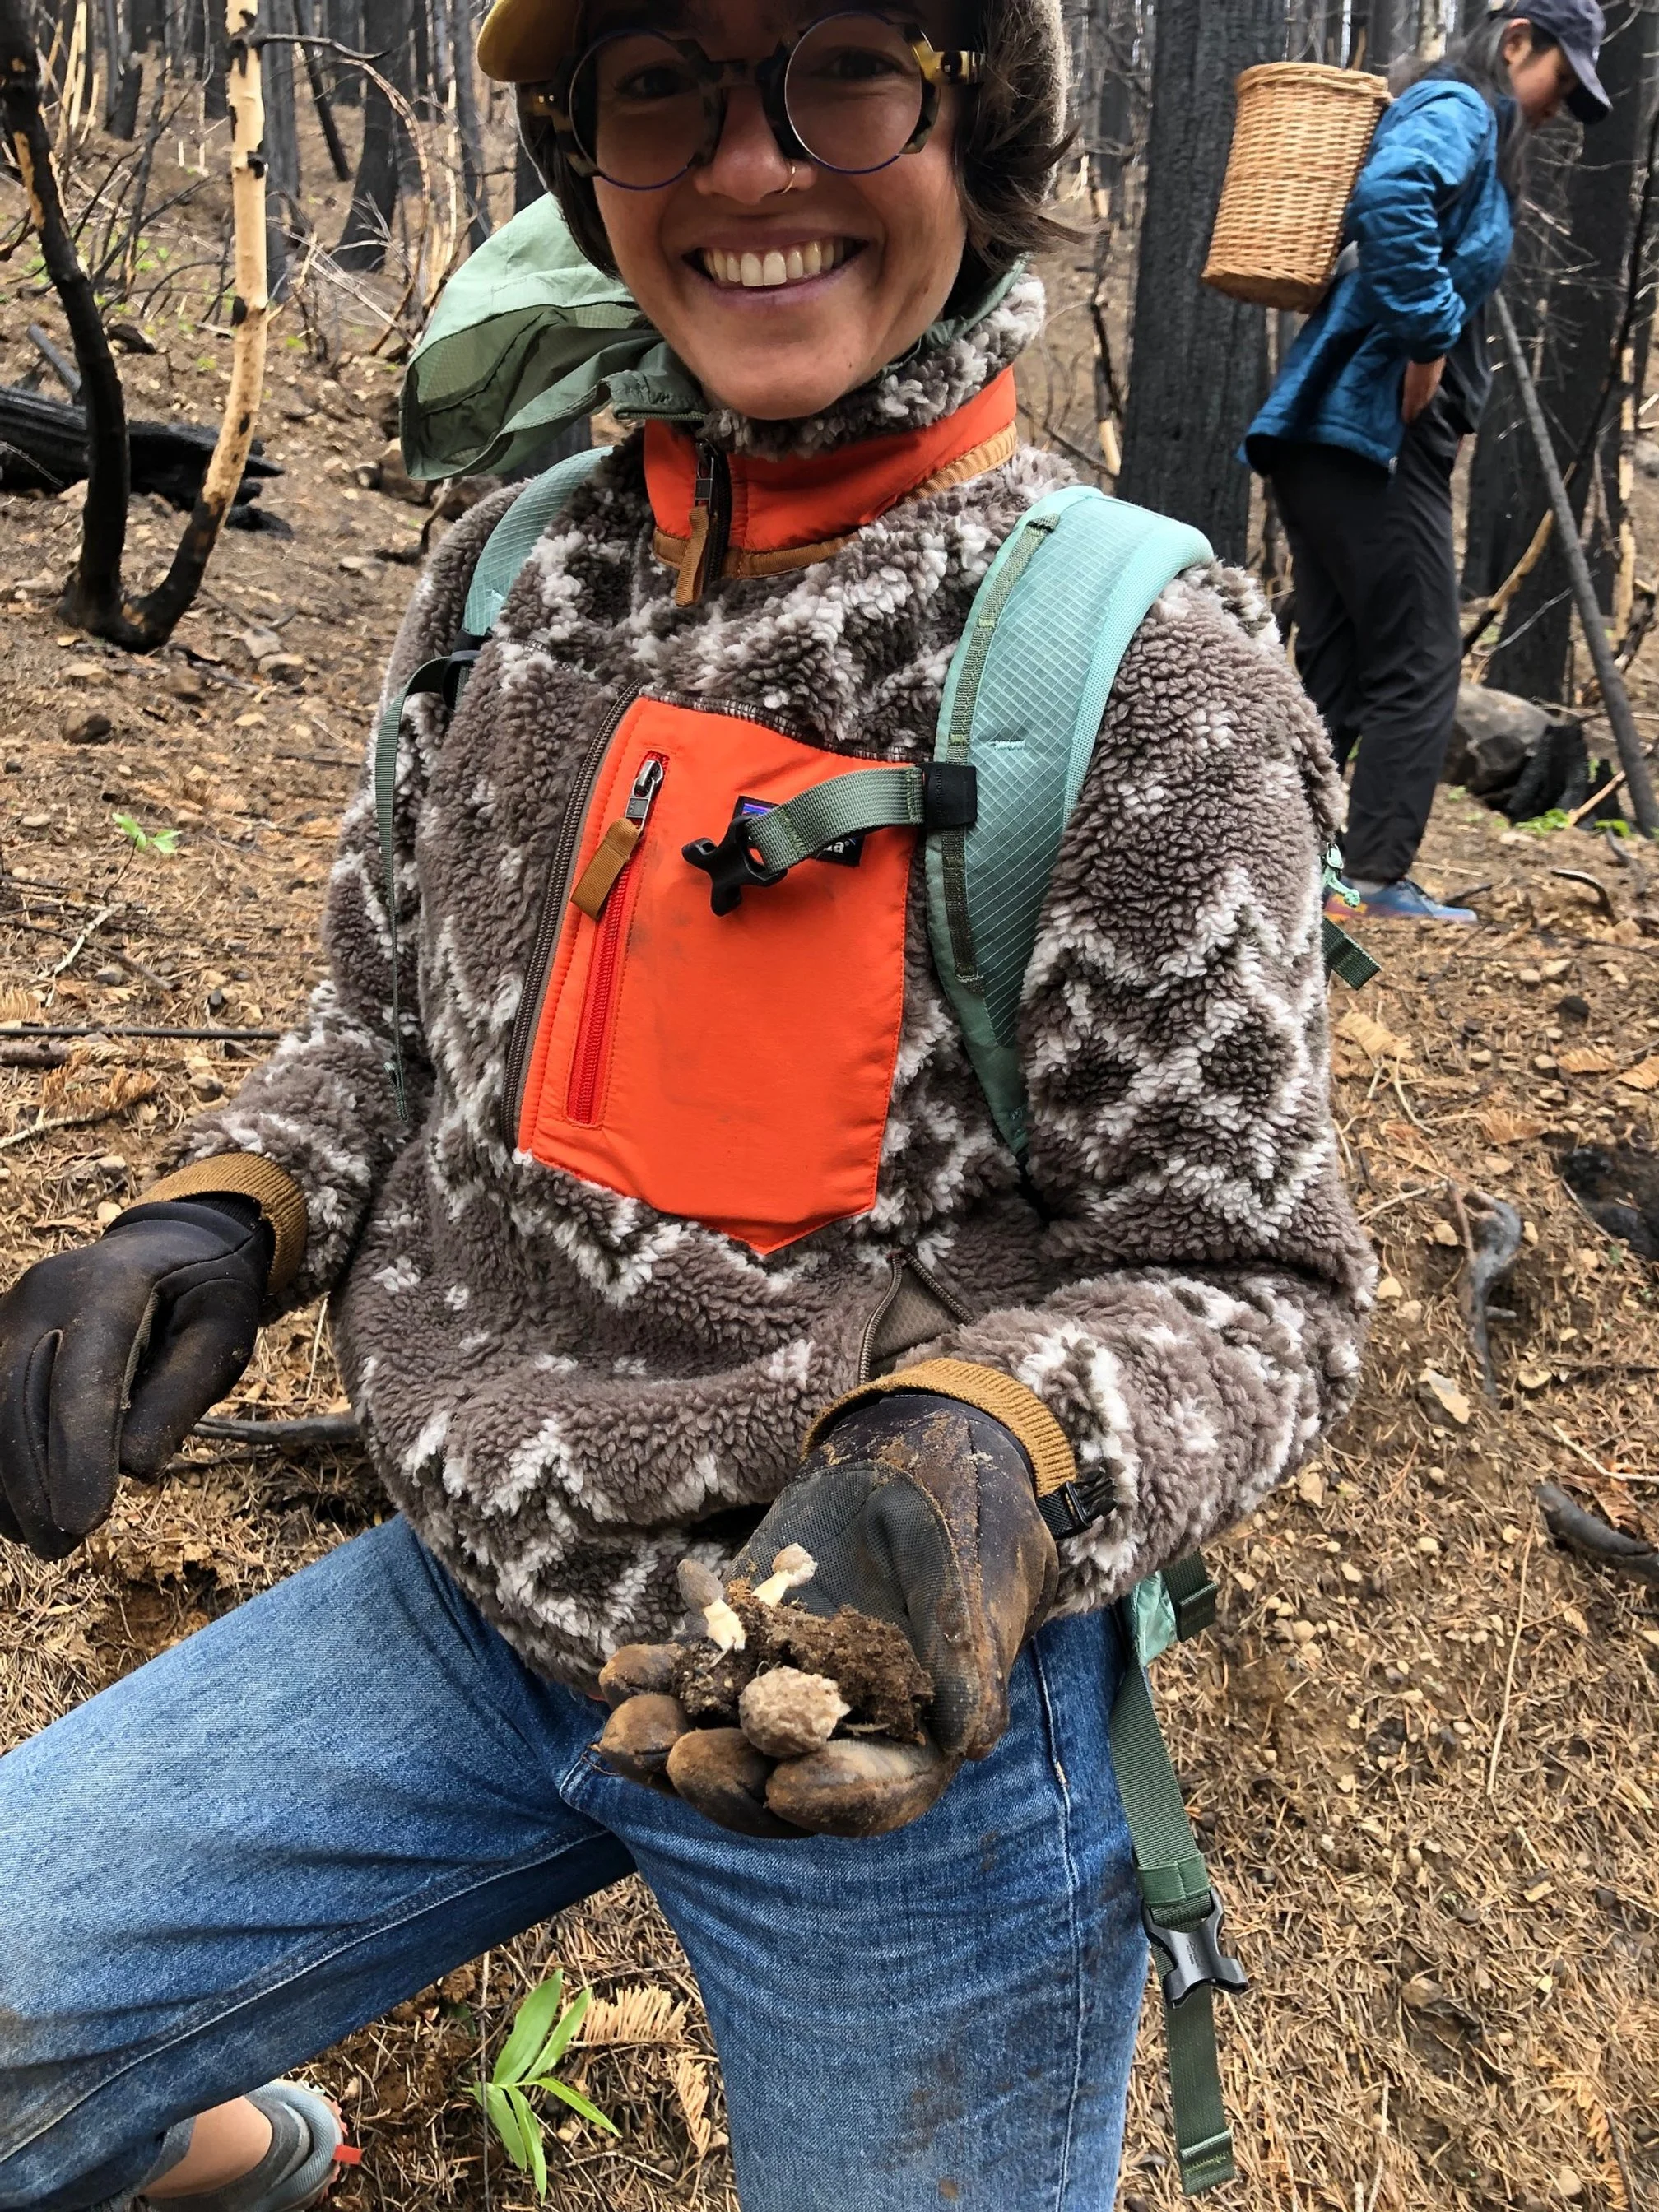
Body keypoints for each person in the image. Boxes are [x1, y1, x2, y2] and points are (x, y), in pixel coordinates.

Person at [0, 2, 1373, 2206]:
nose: (748, 167)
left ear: (987, 124)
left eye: (845, 66)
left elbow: (1253, 1283)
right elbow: (383, 1020)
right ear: (583, 153)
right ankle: (222, 2154)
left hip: (881, 1723)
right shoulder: (512, 576)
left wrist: (992, 1450)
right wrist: (230, 1209)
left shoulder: (1135, 668)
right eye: (661, 84)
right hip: (467, 1605)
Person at [1246, 1, 1611, 925]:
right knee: (1420, 659)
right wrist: (1431, 335)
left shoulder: (1464, 118)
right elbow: (1393, 196)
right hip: (1367, 438)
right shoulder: (1459, 107)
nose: (1560, 107)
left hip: (1326, 438)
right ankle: (1374, 877)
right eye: (1561, 80)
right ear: (1518, 39)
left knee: (1337, 668)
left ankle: (1286, 870)